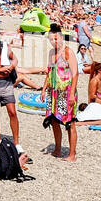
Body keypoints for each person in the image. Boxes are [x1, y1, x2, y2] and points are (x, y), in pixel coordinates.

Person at [44, 25, 78, 161]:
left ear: (61, 37)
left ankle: (72, 154)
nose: (54, 41)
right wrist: (43, 89)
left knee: (70, 122)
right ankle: (57, 149)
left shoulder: (68, 52)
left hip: (66, 91)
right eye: (51, 39)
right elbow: (49, 72)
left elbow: (75, 74)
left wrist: (71, 96)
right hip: (53, 91)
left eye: (56, 38)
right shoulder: (51, 53)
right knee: (53, 119)